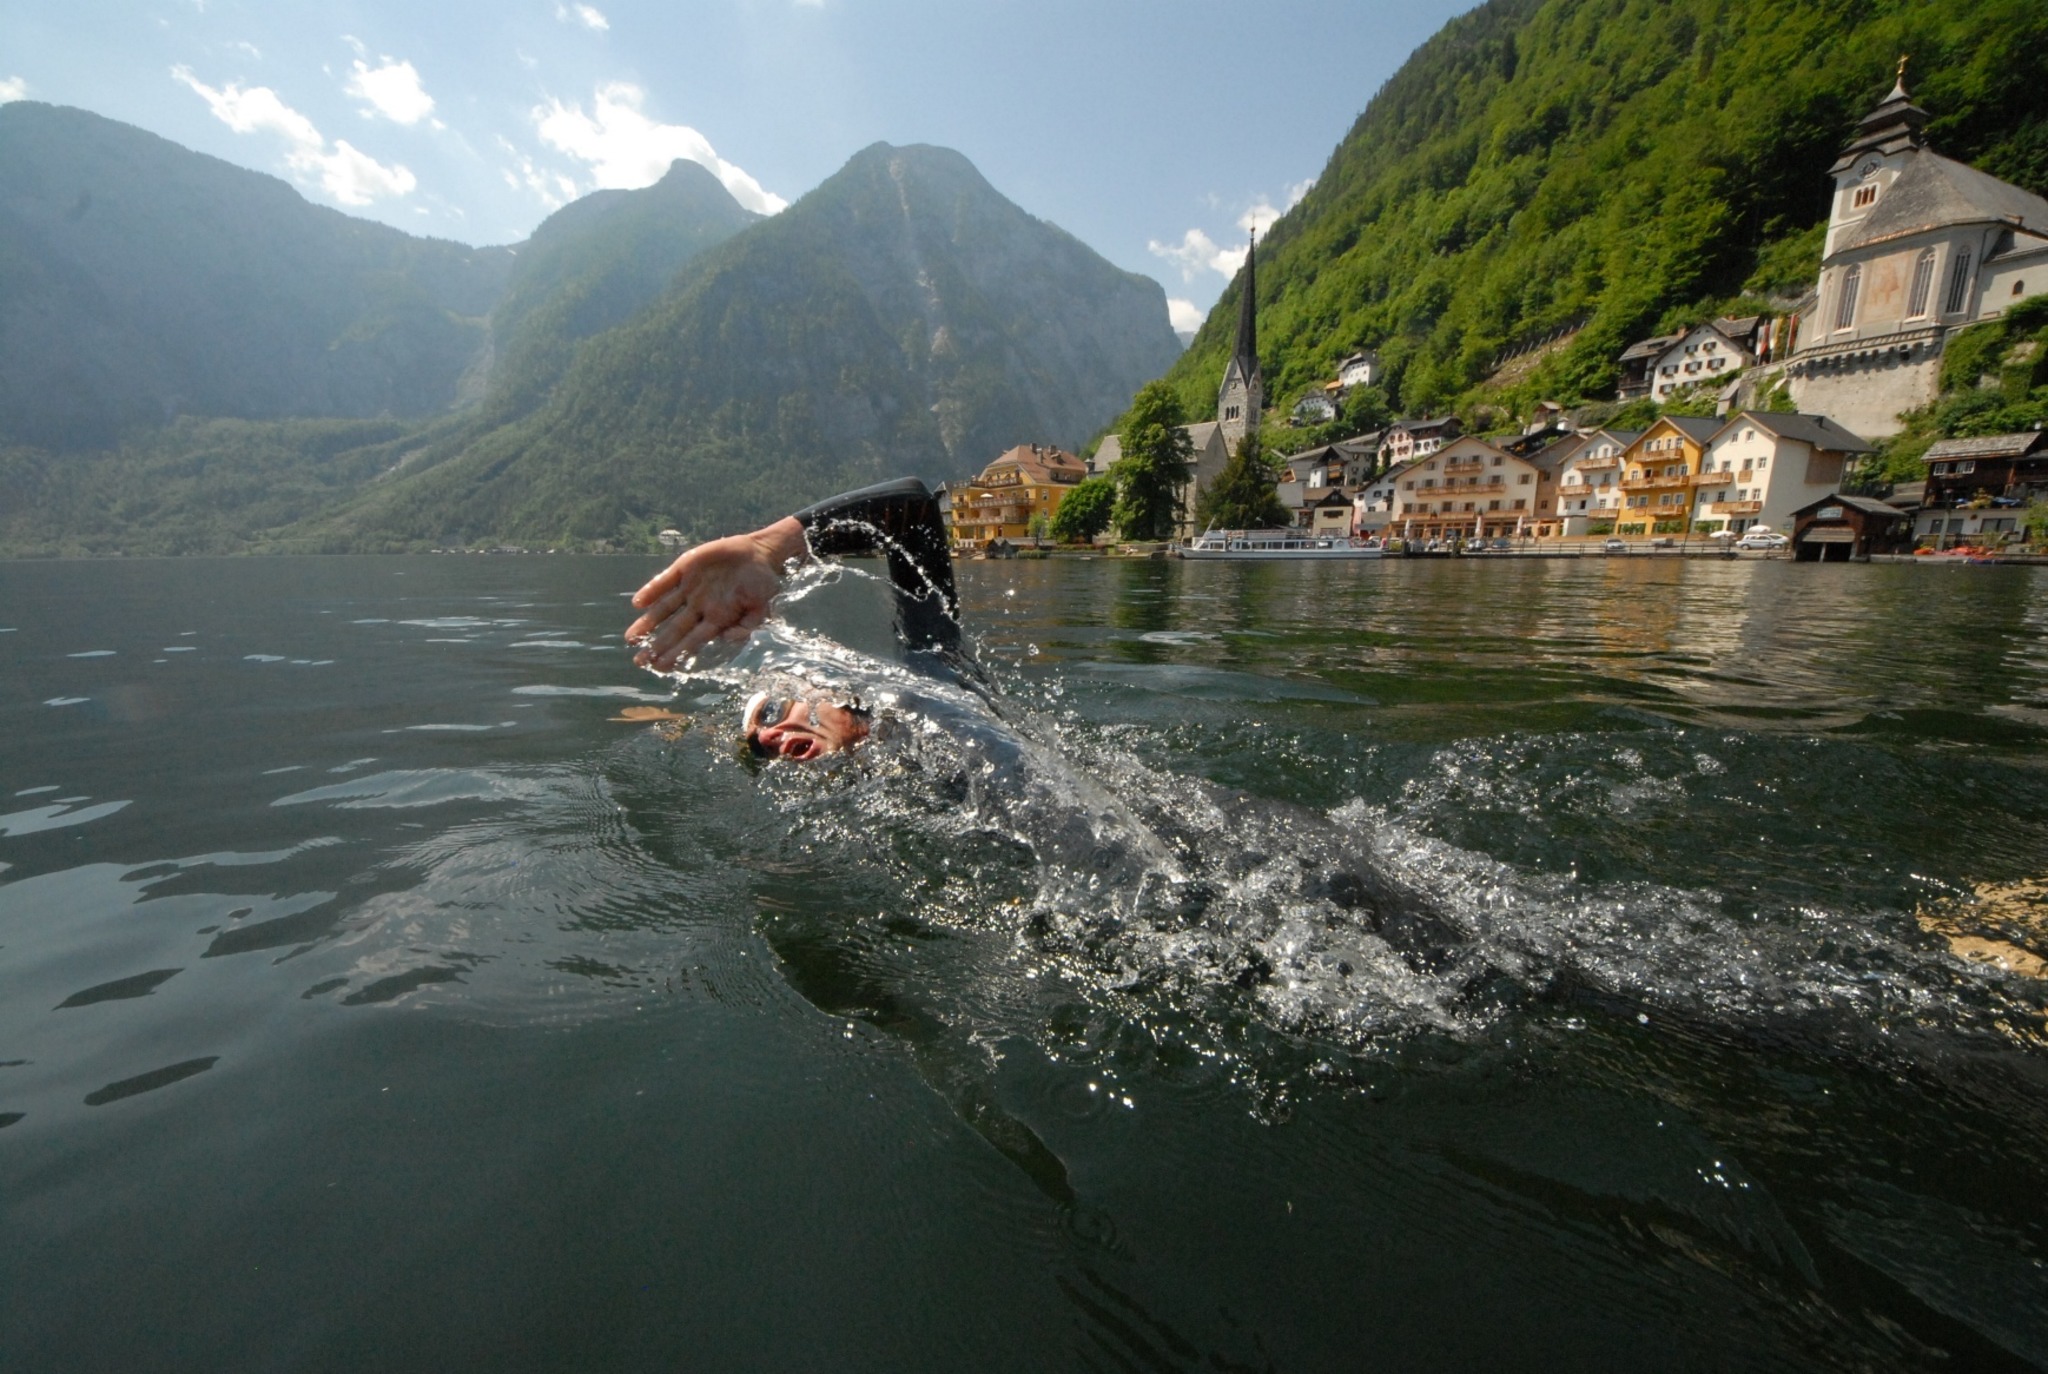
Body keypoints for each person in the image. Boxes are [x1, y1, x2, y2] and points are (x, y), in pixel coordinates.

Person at [625, 478, 965, 761]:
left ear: (827, 687)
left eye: (770, 712)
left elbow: (915, 515)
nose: (769, 737)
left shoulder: (936, 684)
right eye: (759, 751)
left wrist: (770, 548)